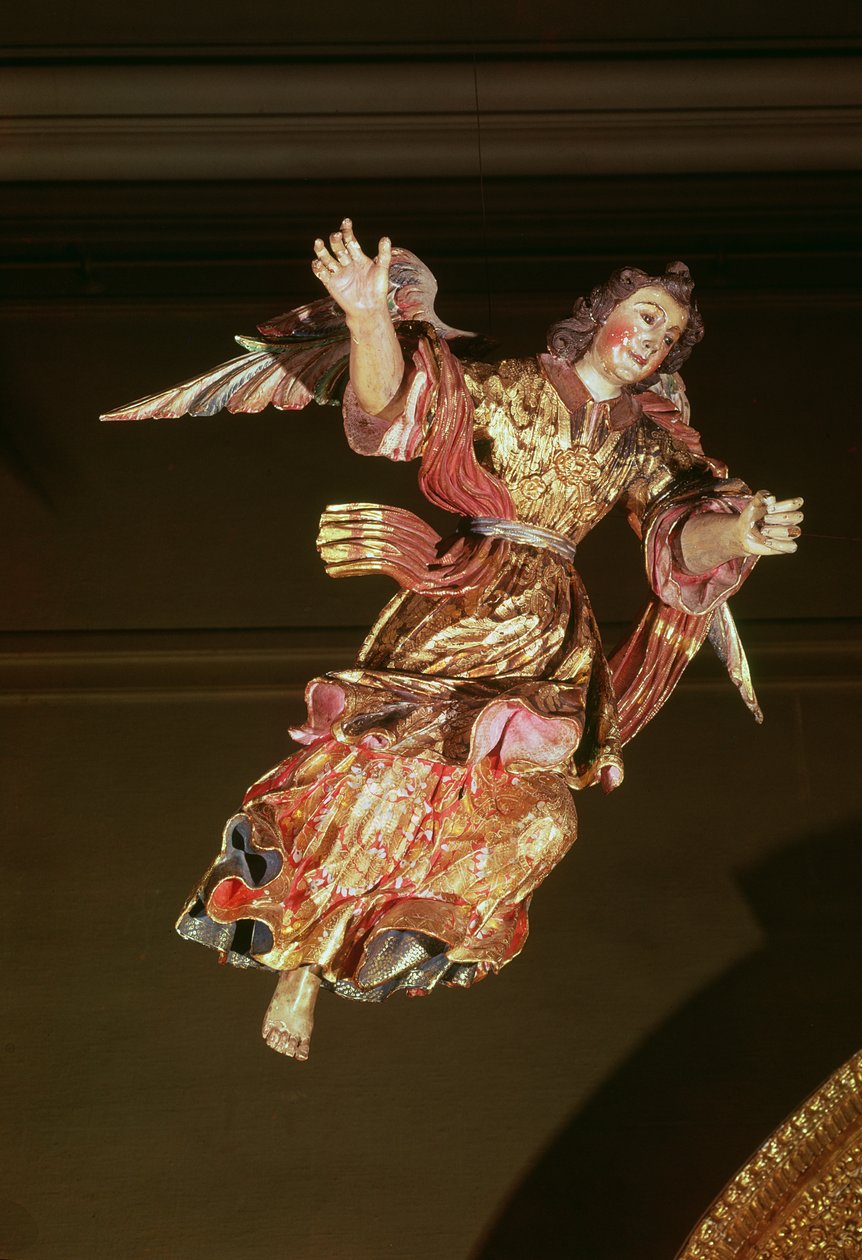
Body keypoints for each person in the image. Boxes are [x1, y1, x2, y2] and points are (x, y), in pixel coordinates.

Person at [175, 220, 804, 1061]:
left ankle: (404, 922)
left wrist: (742, 538)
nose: (651, 342)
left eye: (668, 337)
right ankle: (308, 958)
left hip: (549, 642)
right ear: (602, 314)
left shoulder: (644, 443)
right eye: (643, 318)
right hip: (462, 607)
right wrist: (368, 319)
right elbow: (393, 411)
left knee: (541, 818)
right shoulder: (505, 387)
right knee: (380, 779)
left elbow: (676, 541)